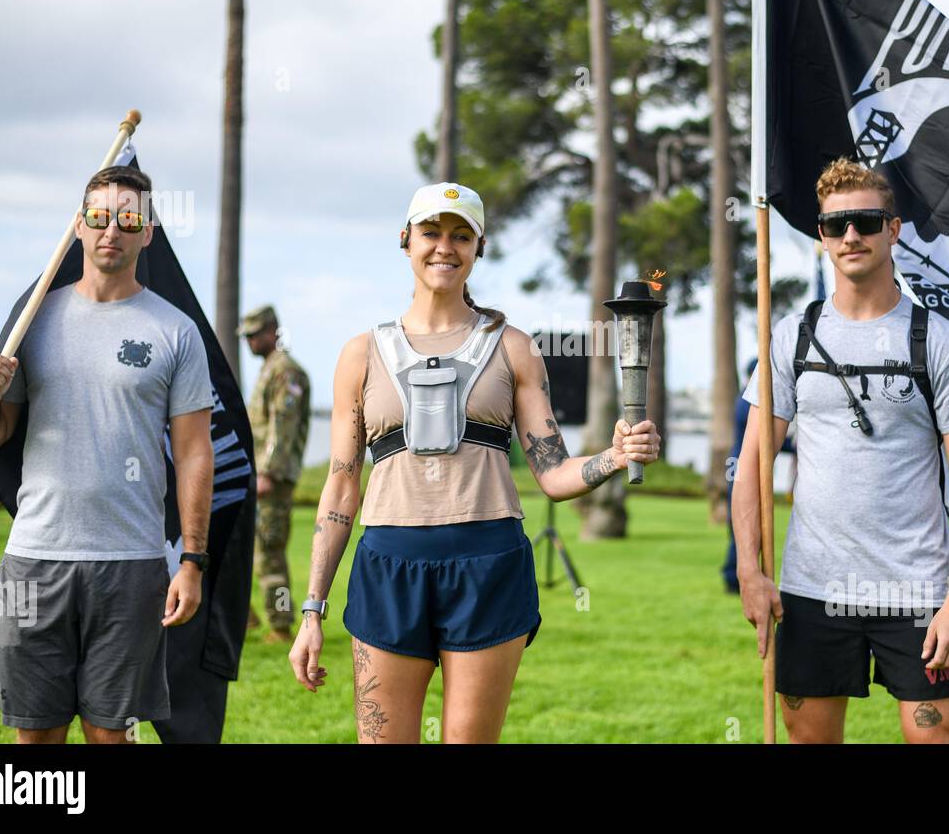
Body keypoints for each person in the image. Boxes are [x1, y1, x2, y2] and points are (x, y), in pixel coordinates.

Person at [287, 182, 661, 743]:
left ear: (479, 247)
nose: (445, 247)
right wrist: (312, 610)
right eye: (432, 232)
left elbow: (553, 474)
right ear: (406, 240)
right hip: (389, 562)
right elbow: (341, 490)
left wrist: (614, 455)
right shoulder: (361, 354)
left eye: (461, 236)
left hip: (488, 564)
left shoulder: (513, 347)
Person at [733, 158, 949, 744]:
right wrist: (750, 571)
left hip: (919, 592)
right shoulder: (789, 336)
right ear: (822, 236)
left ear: (893, 229)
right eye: (835, 225)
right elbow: (751, 467)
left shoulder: (942, 342)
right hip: (812, 590)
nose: (851, 235)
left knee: (935, 738)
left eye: (866, 221)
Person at [0, 165, 215, 744]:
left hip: (129, 563)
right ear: (78, 226)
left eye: (129, 218)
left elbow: (194, 451)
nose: (113, 230)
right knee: (37, 736)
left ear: (147, 231)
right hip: (35, 558)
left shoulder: (174, 331)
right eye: (99, 217)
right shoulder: (34, 318)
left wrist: (192, 561)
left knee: (111, 735)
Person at [240, 304, 311, 643]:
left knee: (271, 555)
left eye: (254, 334)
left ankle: (281, 625)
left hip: (274, 479)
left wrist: (267, 473)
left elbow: (283, 428)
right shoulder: (271, 368)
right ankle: (246, 615)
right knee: (252, 551)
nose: (249, 342)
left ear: (272, 330)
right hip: (261, 475)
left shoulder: (285, 371)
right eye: (246, 336)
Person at [722, 357, 794, 594]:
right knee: (741, 519)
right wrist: (793, 447)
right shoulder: (749, 402)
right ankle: (733, 576)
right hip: (740, 464)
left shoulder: (742, 399)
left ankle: (733, 574)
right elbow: (763, 437)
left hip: (736, 462)